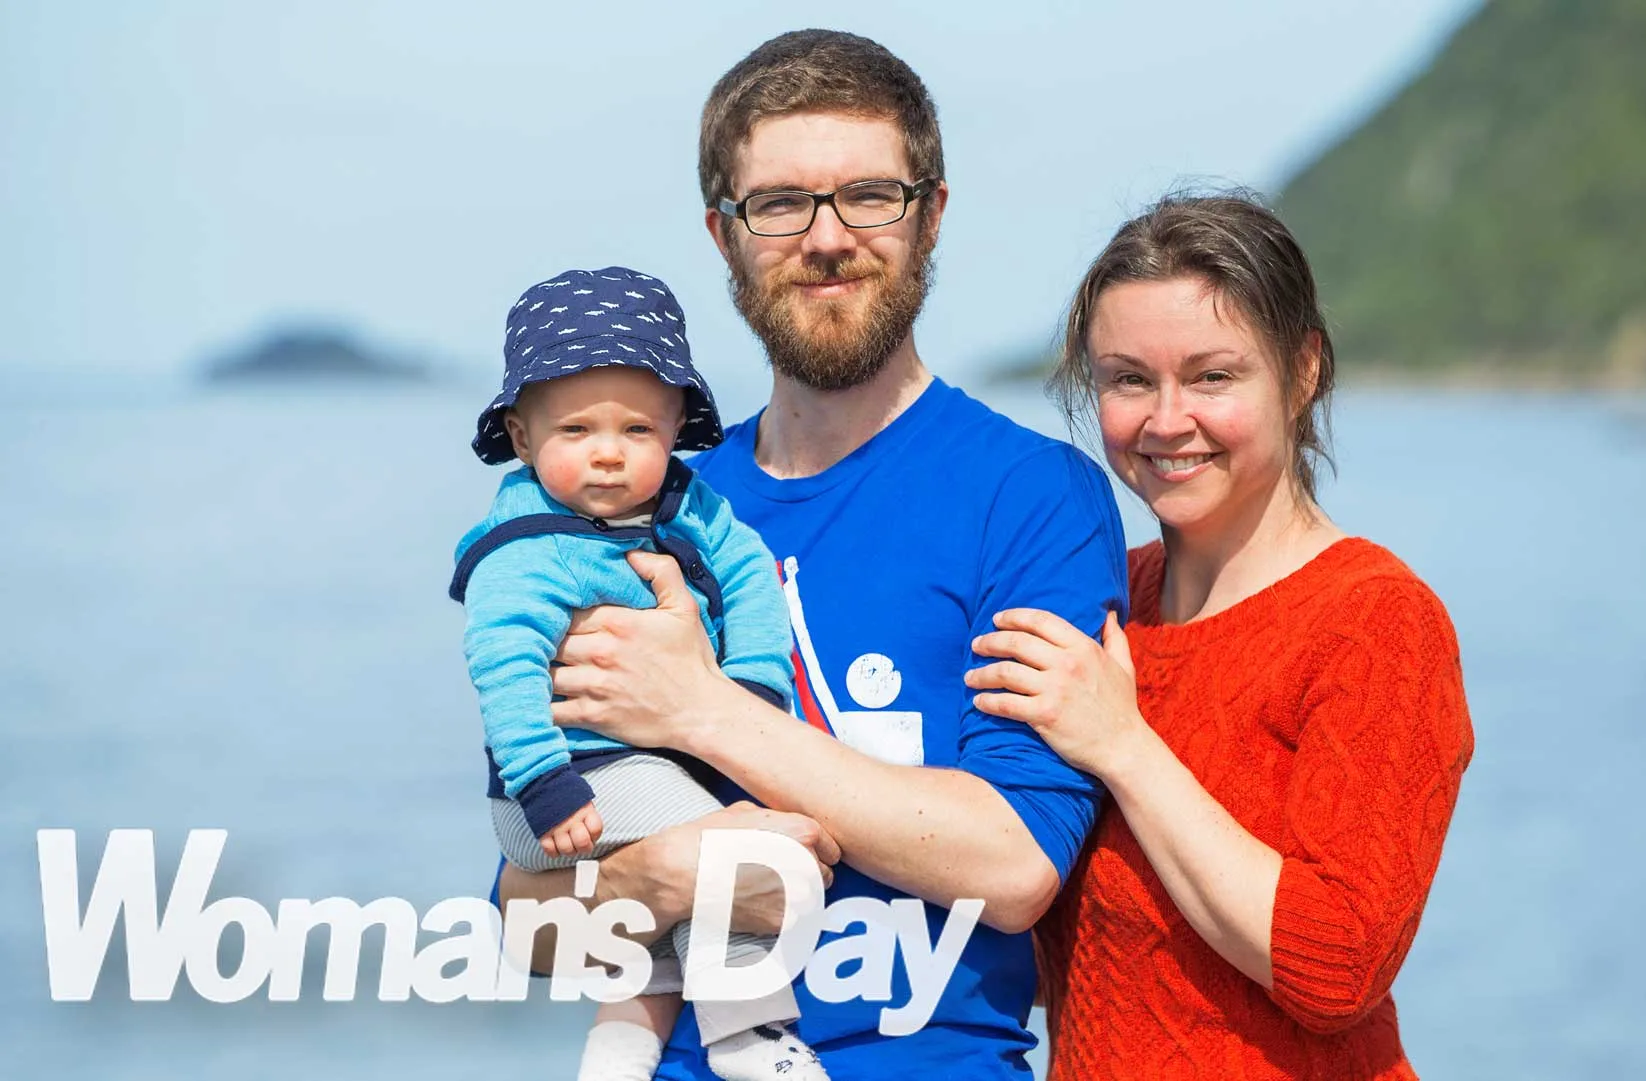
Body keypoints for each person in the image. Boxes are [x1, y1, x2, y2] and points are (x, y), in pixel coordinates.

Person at [493, 30, 1129, 1081]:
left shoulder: (1029, 495)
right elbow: (525, 918)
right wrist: (650, 883)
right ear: (723, 234)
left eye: (869, 195)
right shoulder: (650, 503)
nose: (827, 237)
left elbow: (1014, 865)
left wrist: (699, 710)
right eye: (781, 203)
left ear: (931, 214)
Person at [966, 192, 1475, 1080]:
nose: (1166, 421)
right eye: (1129, 379)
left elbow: (1337, 967)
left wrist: (1124, 744)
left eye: (1212, 376)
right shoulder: (1098, 597)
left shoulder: (1377, 619)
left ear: (1304, 369)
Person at [453, 266, 828, 1081]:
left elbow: (752, 578)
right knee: (723, 845)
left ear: (675, 430)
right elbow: (505, 666)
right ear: (521, 438)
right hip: (557, 781)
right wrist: (544, 780)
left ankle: (616, 1054)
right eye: (577, 430)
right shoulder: (529, 547)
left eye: (638, 431)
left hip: (634, 766)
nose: (610, 456)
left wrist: (754, 689)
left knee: (663, 913)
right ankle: (746, 1032)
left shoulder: (692, 508)